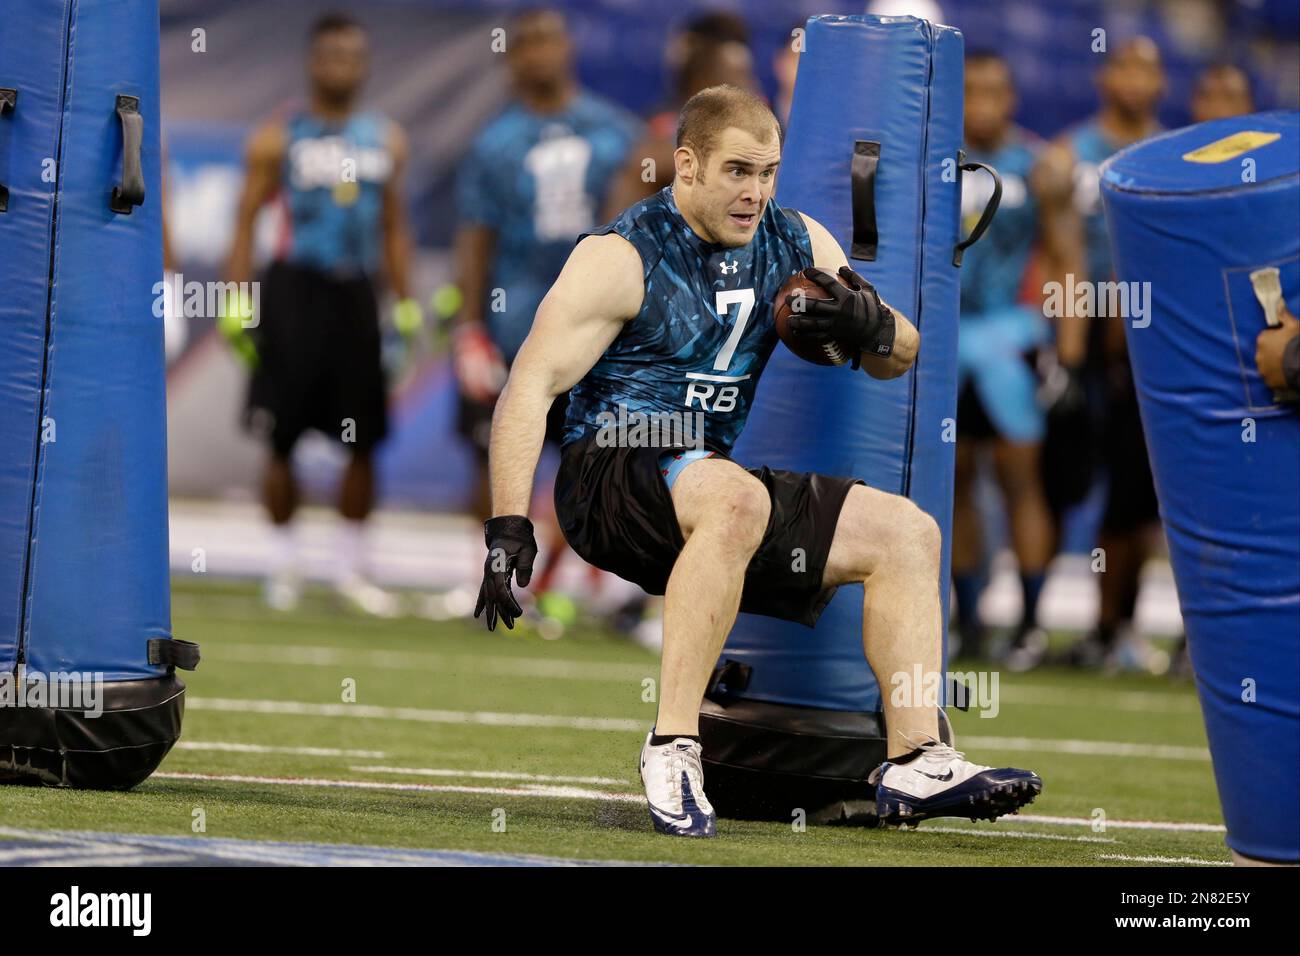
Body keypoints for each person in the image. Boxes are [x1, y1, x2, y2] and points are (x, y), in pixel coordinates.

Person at [474, 84, 1042, 837]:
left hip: (708, 483)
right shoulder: (620, 254)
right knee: (732, 496)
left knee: (908, 534)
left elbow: (900, 357)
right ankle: (673, 745)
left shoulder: (796, 241)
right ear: (687, 164)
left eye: (769, 171)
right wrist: (509, 520)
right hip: (612, 467)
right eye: (738, 171)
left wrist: (866, 321)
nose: (756, 192)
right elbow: (528, 389)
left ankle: (915, 759)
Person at [223, 12, 418, 615]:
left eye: (351, 55)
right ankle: (285, 565)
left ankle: (350, 568)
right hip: (293, 291)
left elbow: (392, 228)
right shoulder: (278, 137)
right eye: (329, 54)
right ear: (312, 61)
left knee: (363, 437)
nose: (340, 65)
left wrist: (405, 303)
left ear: (364, 65)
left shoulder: (385, 138)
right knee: (280, 434)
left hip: (354, 292)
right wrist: (236, 297)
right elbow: (246, 218)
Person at [451, 7, 640, 618]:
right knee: (498, 445)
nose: (538, 53)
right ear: (512, 55)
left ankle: (577, 580)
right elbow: (475, 238)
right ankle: (488, 572)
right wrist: (469, 329)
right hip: (515, 321)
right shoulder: (493, 142)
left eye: (548, 41)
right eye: (525, 44)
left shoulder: (615, 132)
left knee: (599, 455)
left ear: (568, 48)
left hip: (596, 325)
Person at [951, 51, 1084, 667]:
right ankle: (969, 620)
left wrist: (1070, 354)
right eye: (970, 88)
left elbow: (1066, 258)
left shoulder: (1042, 166)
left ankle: (1029, 623)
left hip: (1009, 338)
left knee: (1019, 481)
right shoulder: (932, 162)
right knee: (952, 482)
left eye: (993, 88)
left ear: (1012, 97)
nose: (981, 100)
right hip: (944, 339)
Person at [1058, 37, 1170, 670]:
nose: (1136, 79)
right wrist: (1068, 352)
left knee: (1139, 490)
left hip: (1148, 343)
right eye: (1124, 64)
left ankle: (1119, 625)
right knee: (1070, 481)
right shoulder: (1070, 154)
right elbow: (1062, 255)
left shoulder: (1169, 155)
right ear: (1105, 75)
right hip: (1086, 336)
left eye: (1147, 67)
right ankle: (1063, 622)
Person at [601, 11, 757, 217]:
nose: (748, 85)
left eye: (744, 74)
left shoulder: (766, 140)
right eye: (736, 75)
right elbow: (616, 227)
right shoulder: (656, 150)